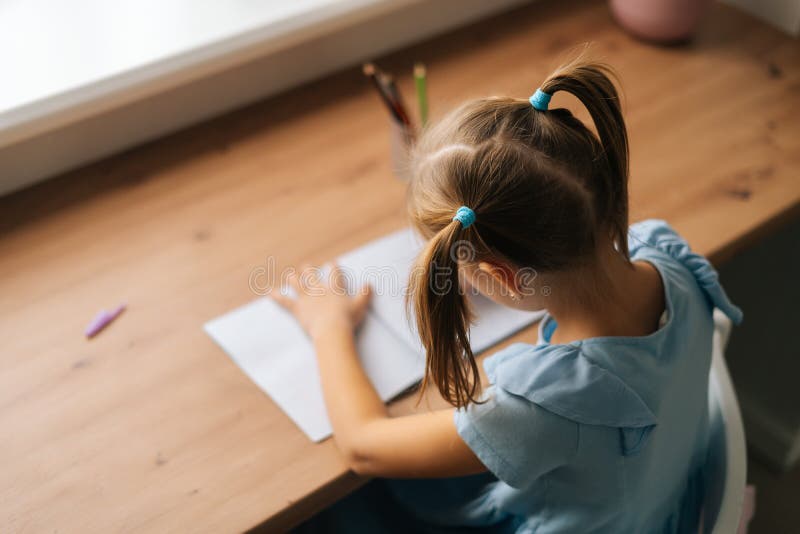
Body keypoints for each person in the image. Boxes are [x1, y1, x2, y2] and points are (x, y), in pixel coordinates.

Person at [276, 54, 743, 533]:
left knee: (340, 513)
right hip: (650, 495)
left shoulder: (548, 406)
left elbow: (361, 447)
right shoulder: (670, 258)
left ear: (503, 276)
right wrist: (493, 272)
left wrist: (327, 325)